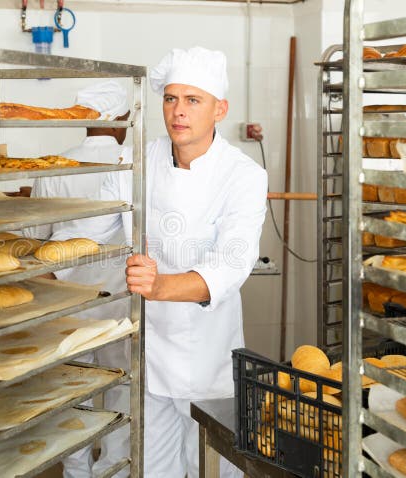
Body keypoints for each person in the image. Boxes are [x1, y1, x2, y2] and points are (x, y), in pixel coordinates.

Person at [49, 46, 268, 477]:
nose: (178, 111)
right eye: (170, 99)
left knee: (215, 468)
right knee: (149, 468)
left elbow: (231, 262)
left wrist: (161, 286)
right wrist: (32, 273)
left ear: (219, 109)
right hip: (149, 355)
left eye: (192, 100)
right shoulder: (137, 162)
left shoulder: (242, 174)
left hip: (208, 357)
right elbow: (88, 232)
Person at [24, 80, 132, 478]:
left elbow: (36, 237)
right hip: (120, 298)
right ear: (123, 117)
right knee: (121, 388)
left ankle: (76, 470)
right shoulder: (132, 163)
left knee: (72, 391)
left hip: (65, 300)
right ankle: (115, 471)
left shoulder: (54, 165)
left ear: (85, 119)